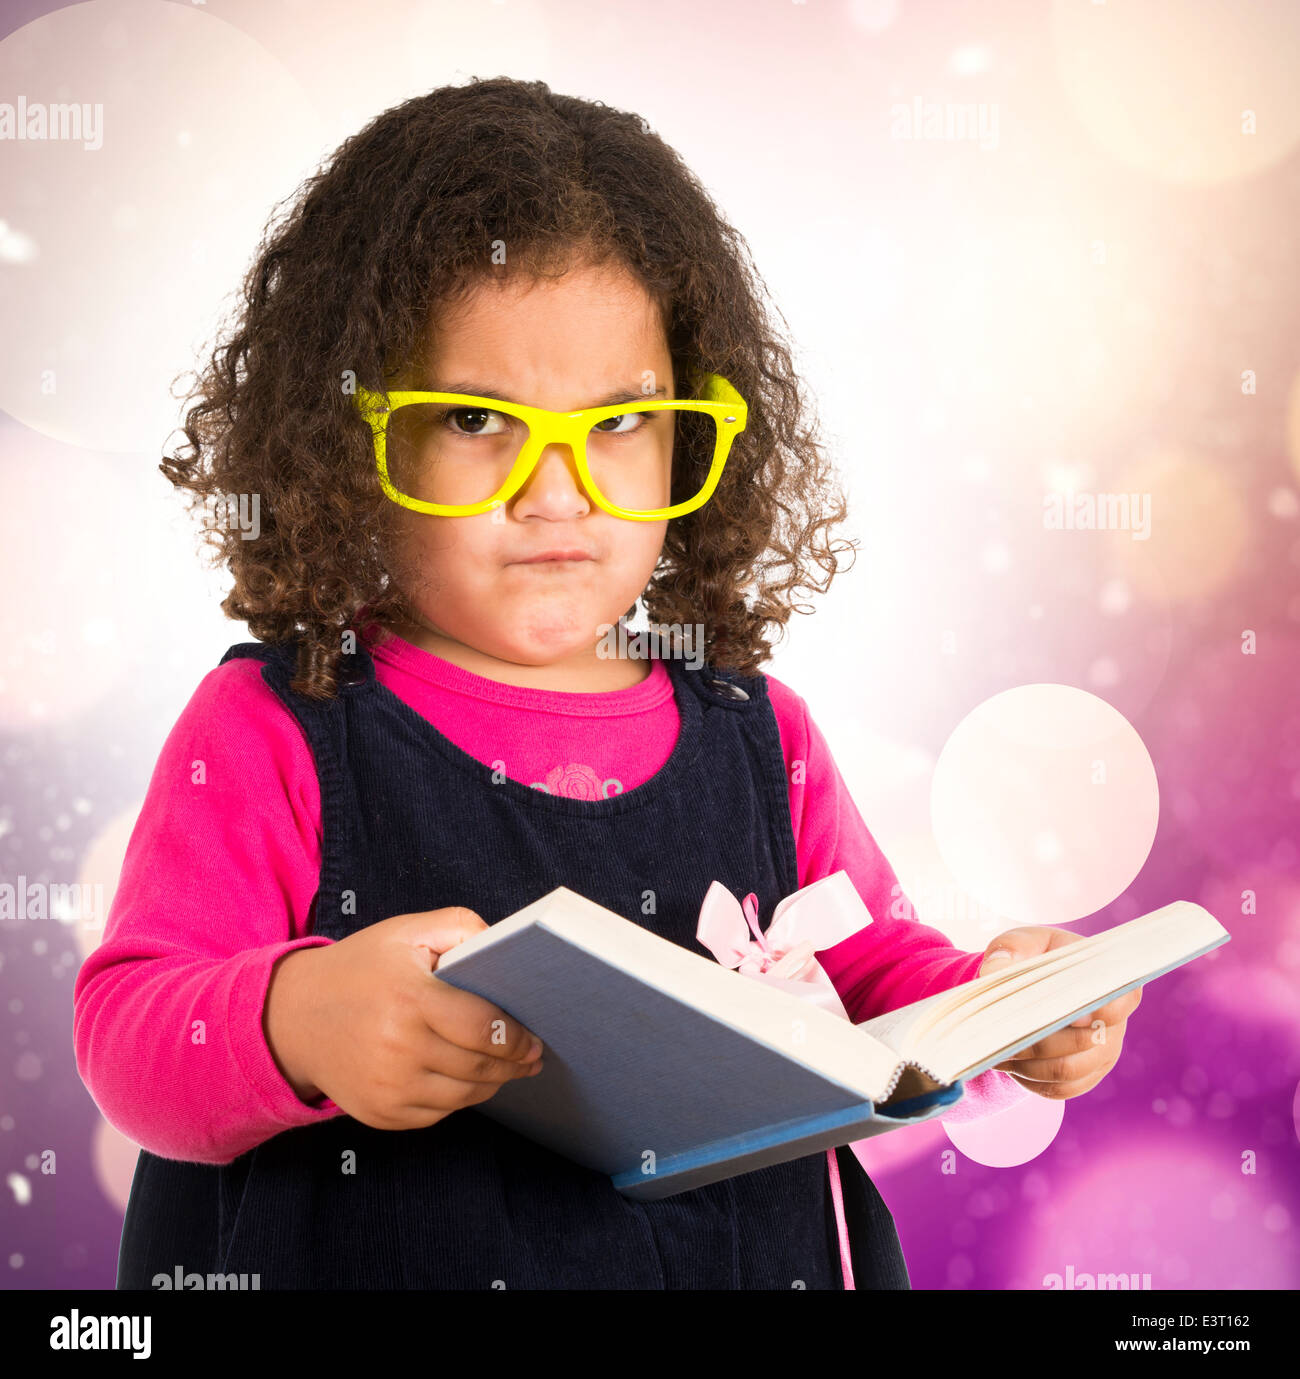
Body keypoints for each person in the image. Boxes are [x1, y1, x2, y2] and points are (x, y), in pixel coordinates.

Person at [73, 77, 1135, 1291]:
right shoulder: (279, 722)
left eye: (621, 421)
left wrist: (1004, 1003)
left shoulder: (754, 728)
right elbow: (131, 1039)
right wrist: (297, 1015)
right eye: (478, 416)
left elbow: (876, 971)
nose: (558, 488)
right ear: (349, 432)